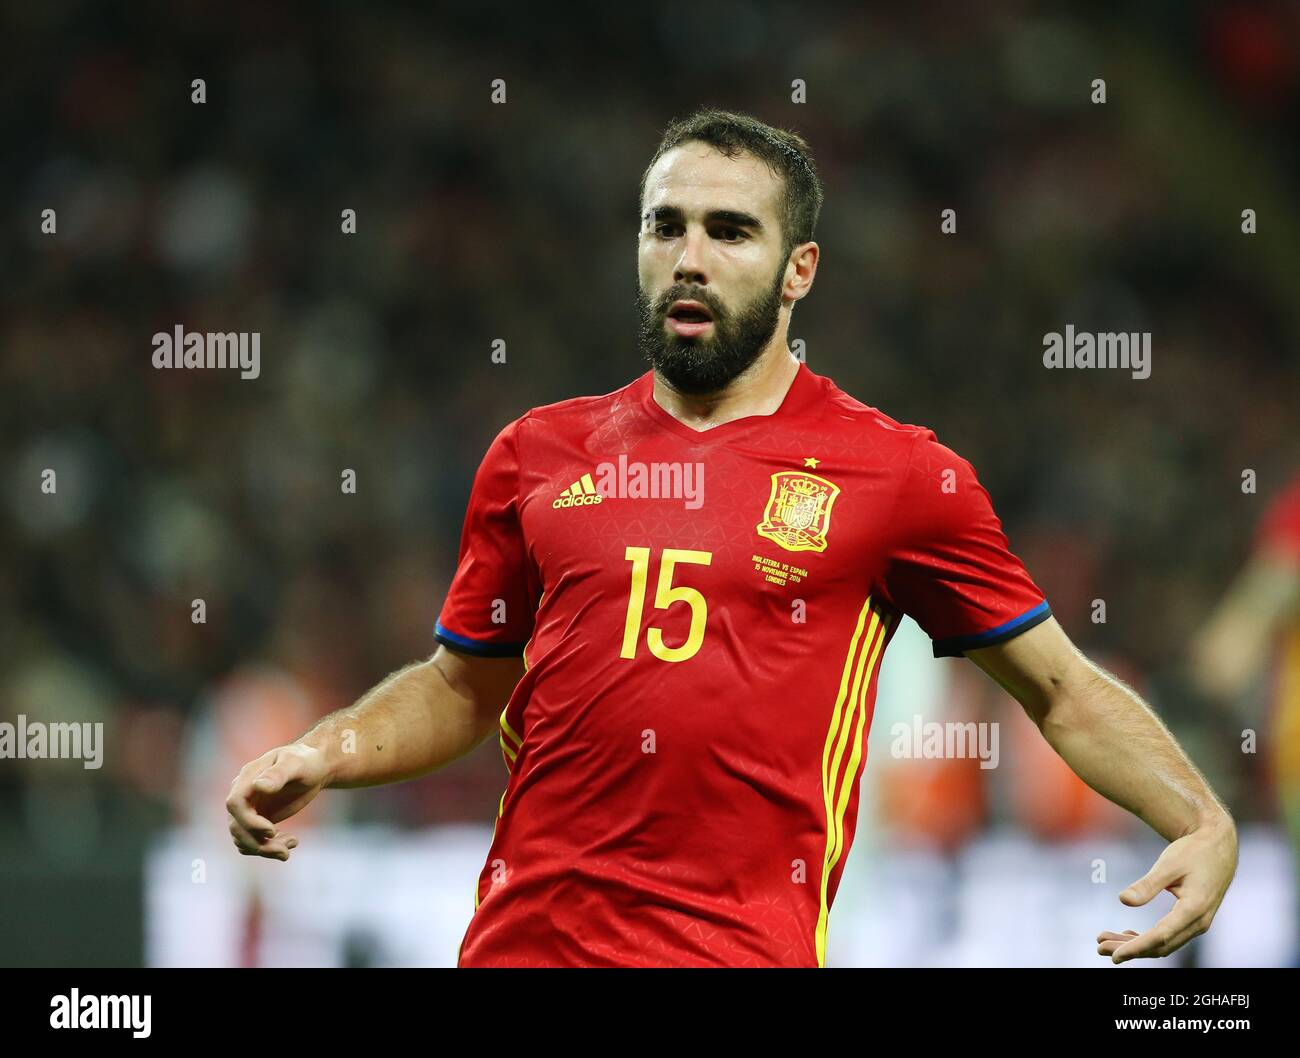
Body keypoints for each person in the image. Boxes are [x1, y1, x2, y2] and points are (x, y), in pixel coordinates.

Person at [227, 108, 1237, 968]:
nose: (691, 258)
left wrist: (1198, 816)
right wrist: (329, 747)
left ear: (799, 269)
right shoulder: (536, 452)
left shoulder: (898, 476)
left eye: (729, 230)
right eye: (664, 226)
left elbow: (1059, 688)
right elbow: (458, 687)